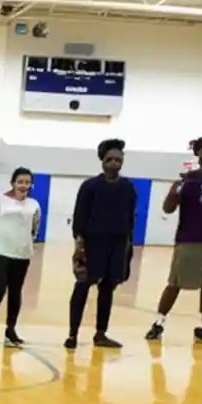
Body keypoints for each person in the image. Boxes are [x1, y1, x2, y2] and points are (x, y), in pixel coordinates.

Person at [145, 135, 202, 346]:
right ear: (198, 155)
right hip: (190, 240)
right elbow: (168, 208)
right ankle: (158, 323)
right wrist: (175, 190)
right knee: (175, 283)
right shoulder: (187, 181)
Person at [66, 138, 138, 349]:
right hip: (92, 243)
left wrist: (128, 247)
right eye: (110, 159)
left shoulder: (128, 187)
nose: (114, 163)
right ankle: (72, 334)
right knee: (83, 285)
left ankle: (100, 333)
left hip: (118, 244)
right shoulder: (90, 187)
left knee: (107, 289)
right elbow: (80, 217)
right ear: (102, 161)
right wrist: (79, 245)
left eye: (118, 159)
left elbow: (130, 218)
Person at [0, 167, 41, 347]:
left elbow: (35, 228)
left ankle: (10, 331)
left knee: (15, 291)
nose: (24, 185)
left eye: (27, 182)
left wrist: (26, 243)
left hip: (21, 254)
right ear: (13, 183)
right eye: (20, 182)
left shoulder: (34, 205)